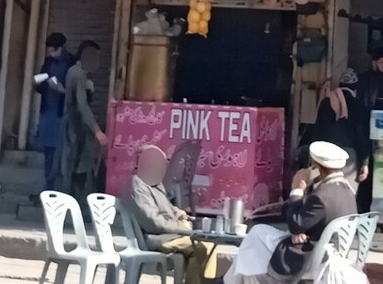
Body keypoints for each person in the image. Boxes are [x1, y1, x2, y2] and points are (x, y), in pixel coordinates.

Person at [224, 142, 357, 284]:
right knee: (256, 243)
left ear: (316, 167)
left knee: (256, 235)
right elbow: (308, 221)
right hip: (321, 246)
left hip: (310, 254)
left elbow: (295, 223)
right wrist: (300, 229)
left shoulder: (322, 195)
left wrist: (297, 190)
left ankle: (228, 281)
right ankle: (231, 280)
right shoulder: (346, 190)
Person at [127, 146, 217, 284]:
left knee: (203, 250)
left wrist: (181, 215)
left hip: (171, 235)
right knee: (204, 247)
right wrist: (183, 227)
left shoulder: (154, 183)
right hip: (158, 239)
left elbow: (167, 208)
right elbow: (154, 222)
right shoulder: (138, 183)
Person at [61, 40, 107, 206]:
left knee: (78, 166)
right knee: (75, 167)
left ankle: (73, 205)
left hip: (75, 126)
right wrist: (97, 131)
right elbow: (81, 104)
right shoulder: (78, 74)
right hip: (75, 127)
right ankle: (72, 206)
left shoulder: (76, 72)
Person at [311, 70, 369, 192]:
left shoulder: (326, 102)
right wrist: (364, 162)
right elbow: (362, 136)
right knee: (347, 192)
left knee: (323, 191)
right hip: (348, 156)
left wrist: (314, 158)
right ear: (355, 89)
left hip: (325, 154)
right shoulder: (358, 105)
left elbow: (317, 131)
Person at [35, 31, 74, 193]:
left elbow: (79, 93)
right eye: (49, 51)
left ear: (62, 48)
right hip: (47, 111)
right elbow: (41, 81)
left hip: (61, 113)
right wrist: (38, 82)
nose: (51, 54)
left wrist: (62, 90)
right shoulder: (48, 62)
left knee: (60, 151)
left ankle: (60, 188)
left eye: (54, 50)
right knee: (48, 151)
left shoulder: (72, 63)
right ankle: (48, 185)